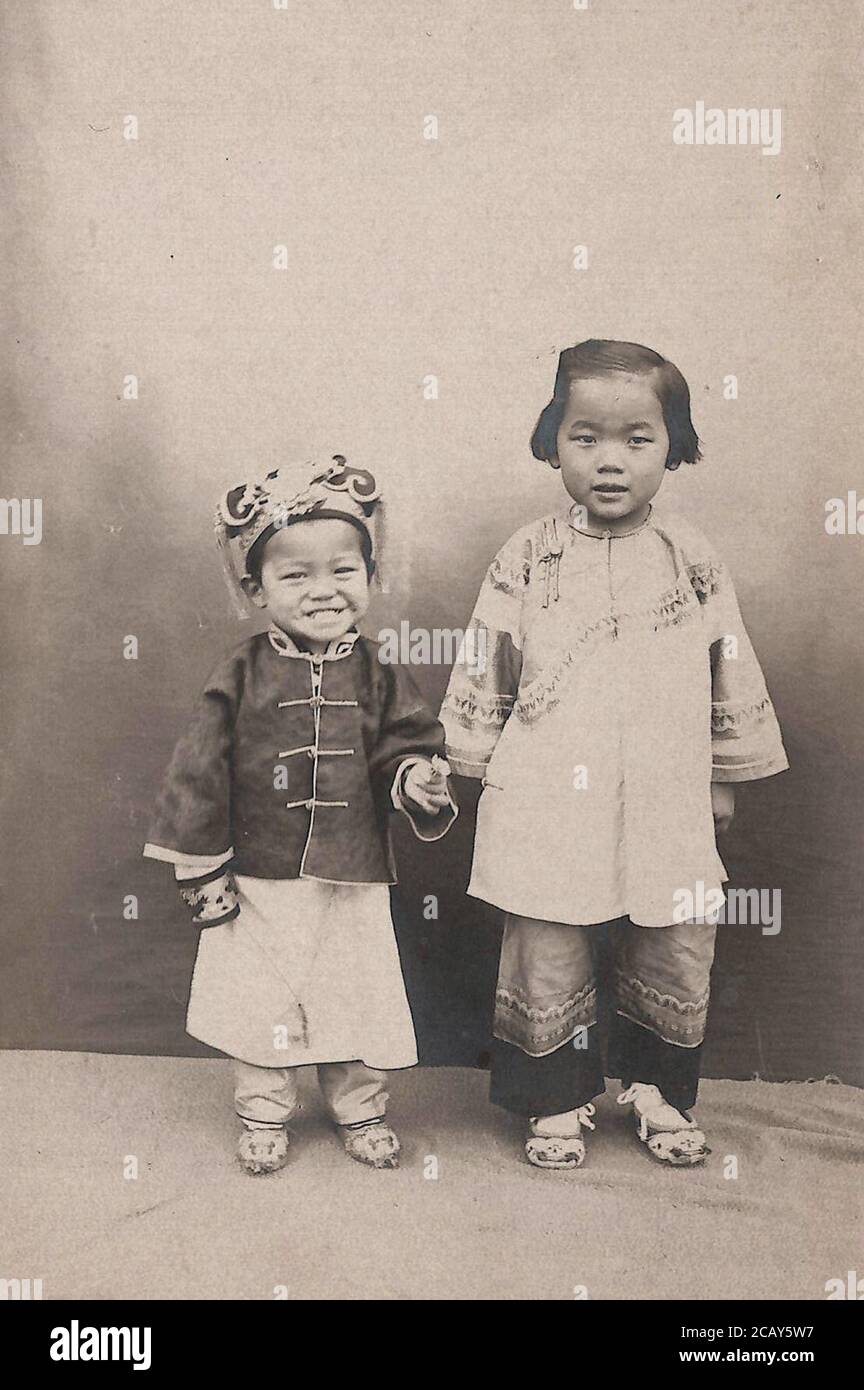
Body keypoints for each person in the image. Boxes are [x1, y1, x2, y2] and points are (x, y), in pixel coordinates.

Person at [440, 339, 788, 1169]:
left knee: (673, 933)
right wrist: (476, 760)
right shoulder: (527, 555)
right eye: (584, 436)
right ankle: (553, 1101)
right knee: (548, 933)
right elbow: (489, 658)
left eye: (639, 439)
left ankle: (657, 1089)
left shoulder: (691, 557)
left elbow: (726, 660)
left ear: (675, 445)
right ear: (552, 439)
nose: (609, 461)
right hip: (547, 788)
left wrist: (723, 774)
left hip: (667, 788)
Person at [144, 457, 456, 1174]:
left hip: (351, 872)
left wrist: (417, 782)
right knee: (263, 999)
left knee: (353, 989)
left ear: (370, 577)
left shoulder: (379, 671)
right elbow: (199, 770)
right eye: (296, 576)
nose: (324, 591)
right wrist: (202, 864)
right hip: (260, 873)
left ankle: (360, 1109)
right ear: (256, 588)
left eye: (344, 571)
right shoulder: (241, 673)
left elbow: (406, 746)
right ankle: (262, 1112)